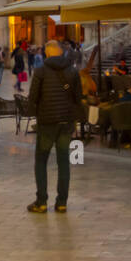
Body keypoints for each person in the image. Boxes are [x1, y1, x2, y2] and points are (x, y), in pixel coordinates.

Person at [26, 40, 81, 214]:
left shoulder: (40, 71)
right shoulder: (73, 71)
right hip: (66, 123)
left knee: (41, 161)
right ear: (61, 53)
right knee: (64, 162)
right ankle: (62, 202)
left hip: (47, 123)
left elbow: (33, 97)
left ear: (48, 54)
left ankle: (41, 202)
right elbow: (78, 98)